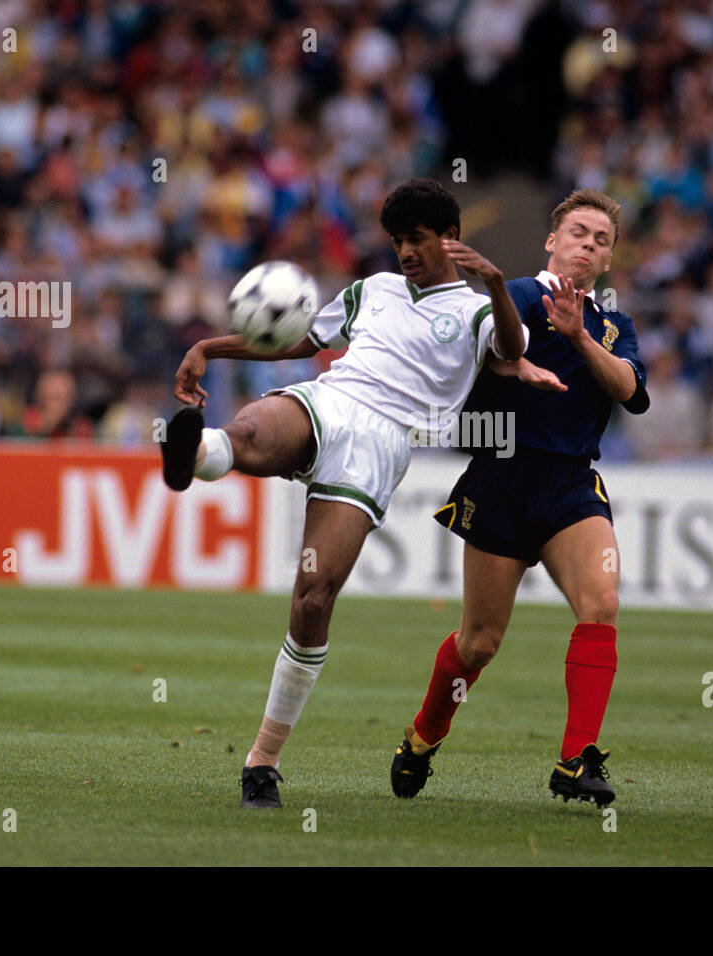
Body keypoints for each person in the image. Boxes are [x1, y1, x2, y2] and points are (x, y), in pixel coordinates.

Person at [162, 179, 545, 808]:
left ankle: (263, 760)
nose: (406, 252)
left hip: (382, 442)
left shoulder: (476, 310)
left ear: (448, 239)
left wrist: (500, 285)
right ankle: (197, 456)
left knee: (313, 599)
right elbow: (301, 338)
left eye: (417, 239)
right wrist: (210, 347)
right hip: (334, 398)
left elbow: (509, 349)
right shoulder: (374, 290)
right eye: (398, 241)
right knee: (254, 430)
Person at [390, 189, 649, 805]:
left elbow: (631, 391)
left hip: (570, 484)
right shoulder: (518, 298)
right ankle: (424, 736)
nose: (588, 245)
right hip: (502, 479)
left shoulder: (614, 324)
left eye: (601, 240)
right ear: (551, 242)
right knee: (479, 643)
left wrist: (582, 339)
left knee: (602, 601)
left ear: (609, 260)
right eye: (578, 233)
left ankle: (576, 760)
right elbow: (486, 353)